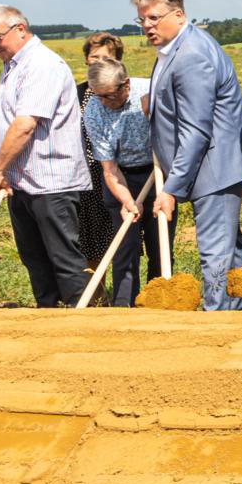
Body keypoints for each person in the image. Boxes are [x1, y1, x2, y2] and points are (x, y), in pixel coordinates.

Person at [135, 0, 242, 311]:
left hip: (215, 168)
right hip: (211, 166)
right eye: (142, 20)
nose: (147, 25)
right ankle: (237, 318)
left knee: (215, 255)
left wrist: (171, 189)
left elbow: (196, 130)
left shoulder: (191, 54)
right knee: (229, 252)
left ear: (178, 14)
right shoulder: (173, 49)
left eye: (153, 17)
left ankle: (216, 325)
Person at [0, 5, 91, 308]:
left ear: (19, 29)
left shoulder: (42, 64)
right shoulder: (15, 63)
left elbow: (26, 123)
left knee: (62, 256)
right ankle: (47, 315)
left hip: (49, 179)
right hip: (23, 179)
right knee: (34, 256)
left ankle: (82, 318)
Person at [84, 57, 172, 306]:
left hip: (158, 173)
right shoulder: (94, 110)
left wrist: (157, 113)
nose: (103, 102)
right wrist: (127, 201)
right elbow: (109, 168)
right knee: (125, 245)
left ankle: (160, 300)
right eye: (97, 95)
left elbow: (177, 130)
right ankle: (125, 306)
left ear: (126, 85)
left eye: (109, 96)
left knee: (160, 242)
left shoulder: (150, 92)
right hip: (120, 177)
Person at [76, 33, 123, 295]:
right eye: (94, 57)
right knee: (92, 241)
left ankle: (124, 292)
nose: (99, 62)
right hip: (88, 176)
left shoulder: (124, 91)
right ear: (86, 59)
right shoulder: (77, 93)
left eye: (107, 57)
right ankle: (97, 295)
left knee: (118, 237)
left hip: (119, 175)